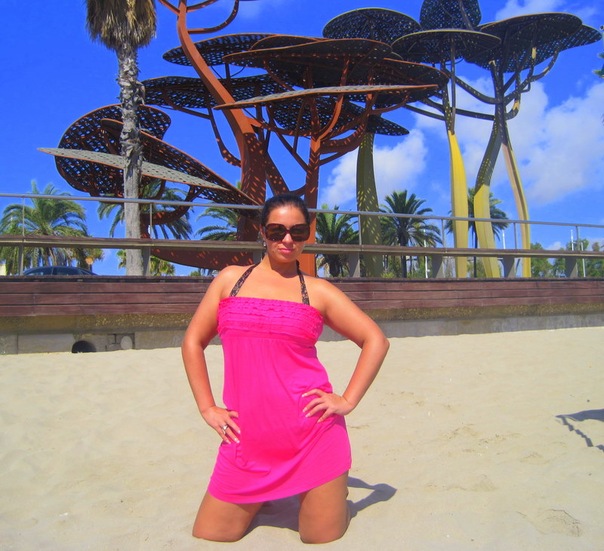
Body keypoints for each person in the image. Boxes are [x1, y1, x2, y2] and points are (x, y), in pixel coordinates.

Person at [181, 193, 389, 543]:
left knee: (319, 537)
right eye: (277, 231)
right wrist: (207, 407)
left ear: (308, 235)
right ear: (262, 232)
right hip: (246, 441)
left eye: (298, 231)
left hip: (312, 435)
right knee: (212, 534)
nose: (287, 239)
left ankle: (333, 487)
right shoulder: (231, 280)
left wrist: (347, 400)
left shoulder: (318, 291)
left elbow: (375, 340)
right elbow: (192, 342)